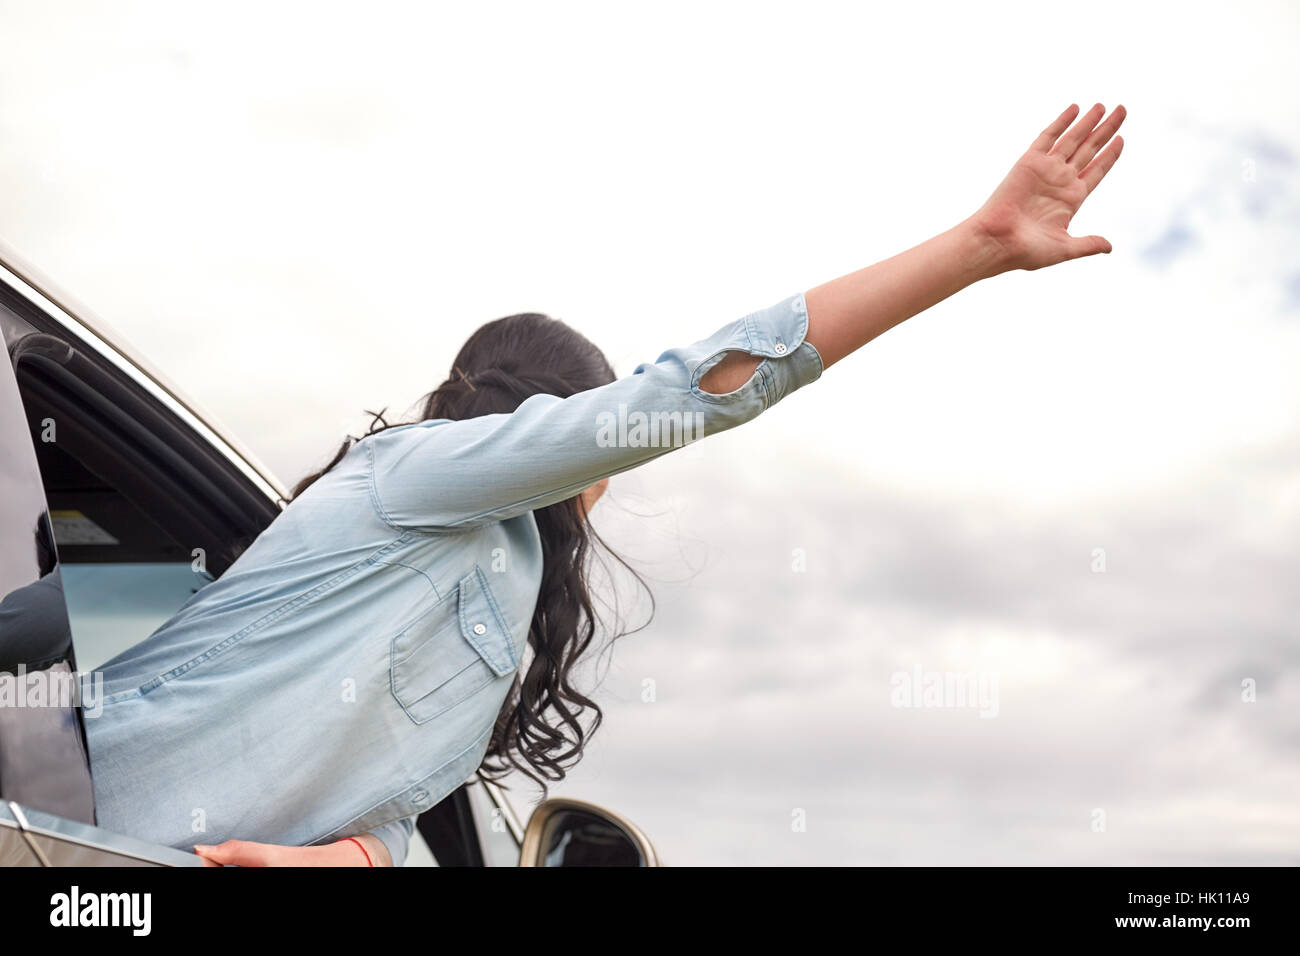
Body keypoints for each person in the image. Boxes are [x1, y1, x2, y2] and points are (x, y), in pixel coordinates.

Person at [81, 103, 1126, 866]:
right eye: (594, 454)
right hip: (73, 830)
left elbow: (396, 804)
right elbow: (700, 390)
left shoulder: (495, 598)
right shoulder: (419, 474)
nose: (605, 480)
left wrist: (345, 859)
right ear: (558, 437)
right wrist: (974, 247)